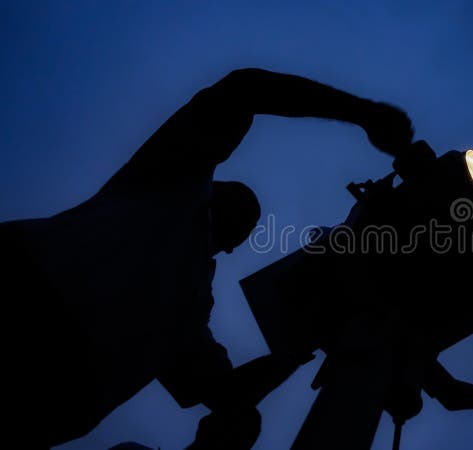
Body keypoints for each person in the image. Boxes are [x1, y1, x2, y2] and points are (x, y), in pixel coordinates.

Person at [1, 68, 415, 448]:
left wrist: (296, 351)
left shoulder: (191, 309)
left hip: (46, 410)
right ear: (213, 188)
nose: (245, 219)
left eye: (248, 224)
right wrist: (364, 113)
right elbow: (243, 89)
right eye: (237, 202)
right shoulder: (167, 185)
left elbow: (225, 391)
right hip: (28, 294)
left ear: (233, 247)